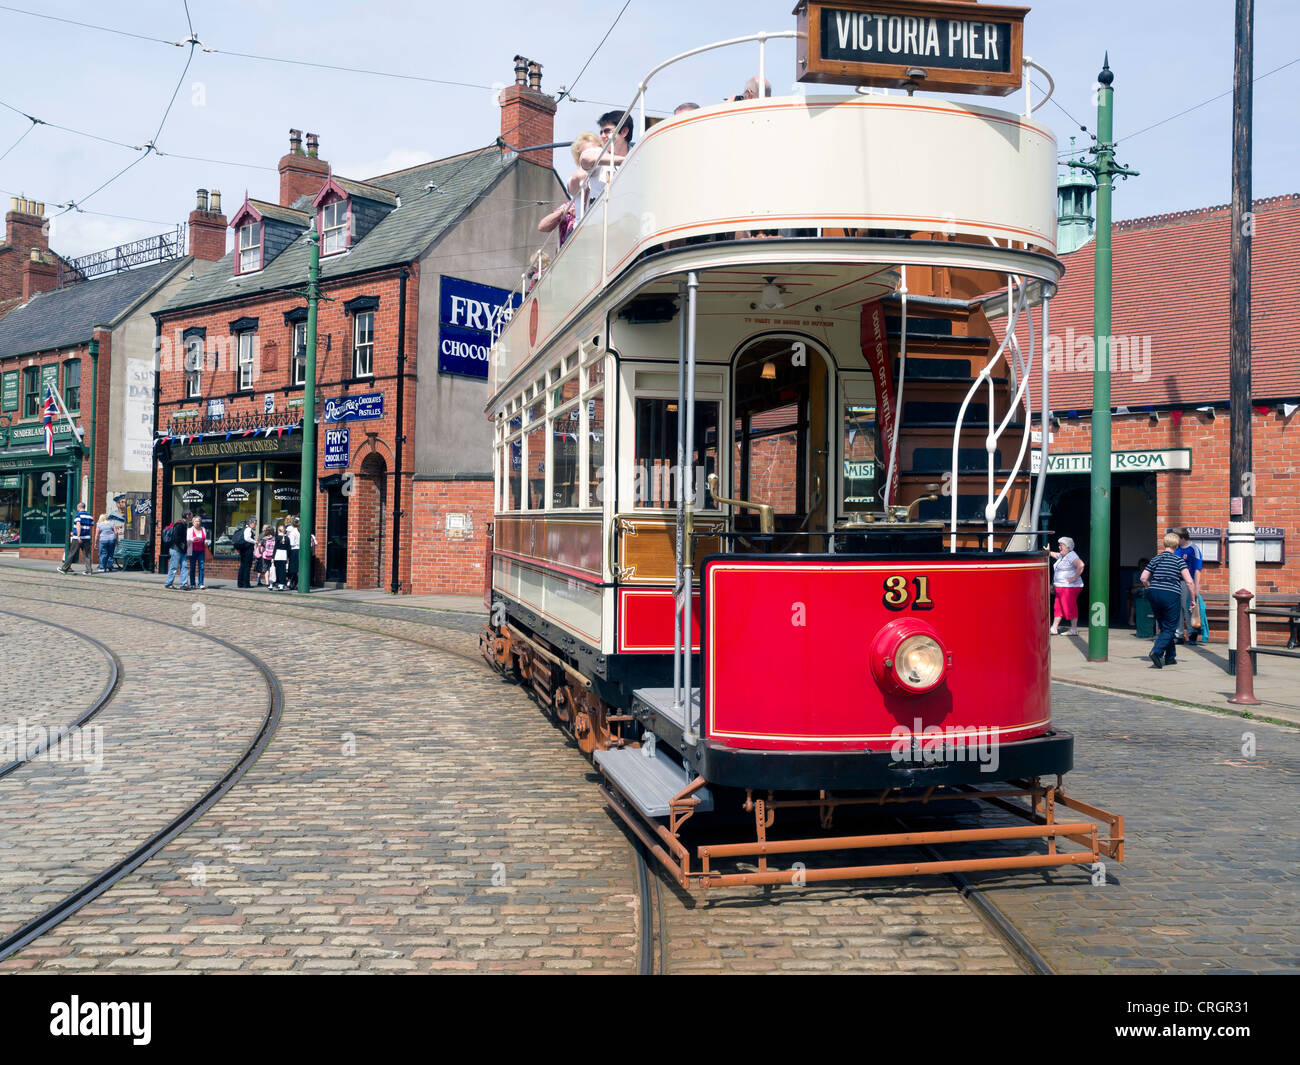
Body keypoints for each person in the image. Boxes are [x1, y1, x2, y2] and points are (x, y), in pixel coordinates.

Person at [1141, 533, 1198, 668]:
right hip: (1171, 594)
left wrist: (1150, 587)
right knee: (1171, 627)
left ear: (1164, 544)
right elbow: (1189, 582)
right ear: (1176, 545)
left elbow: (1143, 578)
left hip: (1154, 594)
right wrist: (1193, 600)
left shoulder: (1155, 559)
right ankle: (1157, 651)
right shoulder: (1178, 561)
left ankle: (1170, 657)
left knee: (1165, 626)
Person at [1048, 536, 1085, 636]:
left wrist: (1074, 578)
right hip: (1061, 587)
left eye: (1061, 545)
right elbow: (1055, 555)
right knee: (1058, 607)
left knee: (1069, 607)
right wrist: (1048, 552)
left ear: (1068, 547)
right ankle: (1054, 628)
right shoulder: (1062, 555)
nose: (1059, 547)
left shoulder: (1071, 555)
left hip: (1069, 587)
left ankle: (1073, 629)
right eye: (1059, 545)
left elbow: (1081, 565)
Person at [1173, 527, 1204, 642]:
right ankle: (1179, 634)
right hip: (1176, 582)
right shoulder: (1176, 549)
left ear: (1182, 538)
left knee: (1188, 608)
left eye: (1177, 538)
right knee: (1178, 609)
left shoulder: (1193, 549)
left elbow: (1197, 570)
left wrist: (1196, 586)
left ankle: (1192, 633)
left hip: (1188, 582)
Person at [59, 502, 95, 574]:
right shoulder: (89, 516)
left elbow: (78, 525)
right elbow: (91, 525)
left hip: (77, 538)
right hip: (87, 538)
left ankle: (64, 568)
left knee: (72, 553)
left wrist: (78, 535)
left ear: (79, 507)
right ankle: (89, 570)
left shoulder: (78, 515)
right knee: (87, 554)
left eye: (77, 507)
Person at [163, 511, 192, 589]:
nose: (192, 517)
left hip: (182, 549)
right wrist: (182, 547)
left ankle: (184, 584)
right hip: (176, 549)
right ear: (187, 516)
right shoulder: (179, 525)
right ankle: (168, 583)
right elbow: (176, 538)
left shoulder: (184, 524)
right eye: (191, 515)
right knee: (174, 567)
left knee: (185, 566)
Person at [187, 514, 208, 590]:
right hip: (192, 551)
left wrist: (206, 542)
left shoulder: (203, 529)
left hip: (201, 551)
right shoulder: (189, 530)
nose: (197, 523)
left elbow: (205, 538)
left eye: (199, 521)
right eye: (196, 521)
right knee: (192, 567)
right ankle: (192, 583)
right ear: (193, 522)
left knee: (201, 567)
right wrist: (194, 539)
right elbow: (187, 540)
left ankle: (201, 583)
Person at [1127, 557, 1150, 627]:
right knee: (1134, 601)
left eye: (1145, 565)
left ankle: (1147, 620)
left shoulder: (1150, 574)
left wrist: (1146, 585)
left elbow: (1150, 584)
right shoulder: (1136, 573)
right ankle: (1131, 619)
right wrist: (1143, 584)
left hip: (1148, 591)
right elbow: (1134, 584)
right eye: (1142, 565)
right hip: (1138, 591)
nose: (1143, 567)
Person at [236, 517, 257, 588]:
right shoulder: (248, 529)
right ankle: (246, 583)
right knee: (247, 566)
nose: (255, 524)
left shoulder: (245, 529)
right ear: (251, 523)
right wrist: (255, 542)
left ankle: (240, 583)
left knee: (243, 566)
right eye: (255, 523)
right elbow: (247, 538)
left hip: (244, 550)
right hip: (247, 550)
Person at [272, 523, 290, 590]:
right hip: (284, 555)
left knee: (278, 570)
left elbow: (275, 548)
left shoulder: (277, 538)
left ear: (278, 530)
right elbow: (289, 548)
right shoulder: (287, 538)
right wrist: (288, 557)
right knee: (283, 570)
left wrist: (273, 557)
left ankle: (278, 582)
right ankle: (283, 583)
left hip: (277, 555)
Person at [286, 516, 301, 591]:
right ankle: (293, 583)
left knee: (296, 568)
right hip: (294, 550)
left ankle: (294, 583)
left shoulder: (298, 531)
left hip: (296, 550)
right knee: (294, 568)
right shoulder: (294, 532)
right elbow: (291, 543)